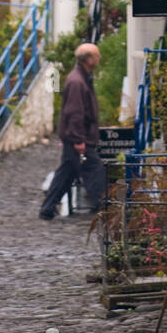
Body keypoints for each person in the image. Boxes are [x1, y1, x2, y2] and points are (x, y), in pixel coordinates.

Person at [39, 42, 106, 220]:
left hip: (75, 136)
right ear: (89, 59)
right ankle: (104, 207)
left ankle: (47, 208)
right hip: (78, 138)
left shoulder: (81, 78)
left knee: (66, 173)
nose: (99, 58)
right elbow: (75, 112)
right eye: (97, 56)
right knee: (95, 170)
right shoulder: (78, 81)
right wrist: (78, 140)